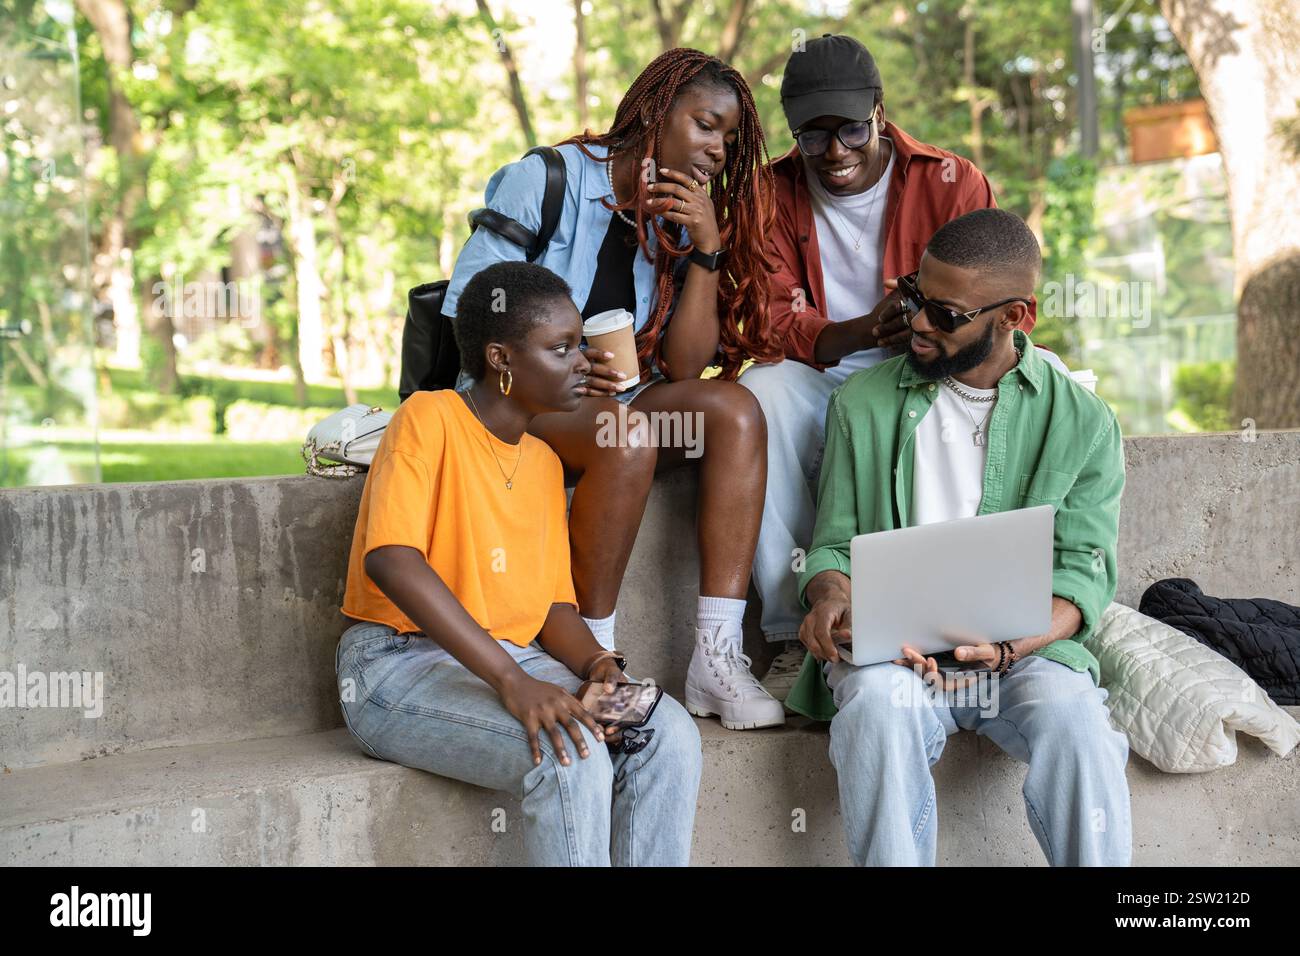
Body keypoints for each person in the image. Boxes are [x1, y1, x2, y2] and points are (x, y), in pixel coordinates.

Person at [441, 48, 785, 729]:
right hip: (512, 406)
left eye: (728, 139)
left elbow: (686, 369)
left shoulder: (675, 216)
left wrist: (706, 246)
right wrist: (559, 362)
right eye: (706, 125)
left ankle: (715, 657)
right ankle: (590, 650)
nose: (718, 149)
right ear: (656, 111)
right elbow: (469, 310)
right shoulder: (545, 179)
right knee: (622, 433)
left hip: (615, 403)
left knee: (734, 410)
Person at [787, 209, 1132, 866]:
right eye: (916, 297)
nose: (917, 322)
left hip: (1022, 656)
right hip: (896, 656)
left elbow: (1082, 574)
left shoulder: (1083, 421)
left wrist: (1005, 650)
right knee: (878, 712)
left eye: (945, 315)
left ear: (1015, 318)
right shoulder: (863, 402)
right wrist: (829, 596)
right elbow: (833, 545)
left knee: (1079, 723)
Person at [337, 261, 702, 866]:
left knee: (666, 733)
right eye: (561, 349)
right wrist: (512, 681)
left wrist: (596, 662)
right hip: (395, 667)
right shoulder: (430, 419)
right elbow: (392, 559)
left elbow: (551, 604)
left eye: (579, 345)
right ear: (501, 359)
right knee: (572, 750)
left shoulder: (542, 463)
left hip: (517, 659)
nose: (583, 361)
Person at [738, 34, 1068, 702]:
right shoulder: (767, 196)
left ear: (880, 113)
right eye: (812, 137)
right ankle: (788, 630)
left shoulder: (949, 180)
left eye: (852, 130)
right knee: (759, 392)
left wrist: (918, 331)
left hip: (927, 362)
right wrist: (858, 331)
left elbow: (988, 297)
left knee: (1047, 376)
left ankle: (990, 610)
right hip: (823, 367)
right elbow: (764, 323)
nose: (834, 153)